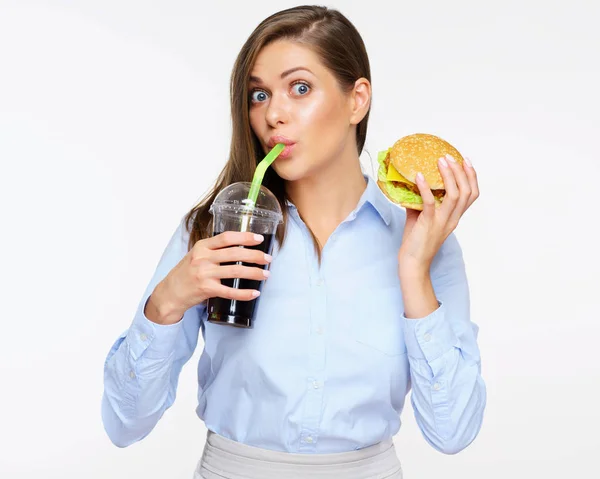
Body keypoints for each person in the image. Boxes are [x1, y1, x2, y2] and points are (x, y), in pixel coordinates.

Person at [101, 5, 486, 478]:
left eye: (299, 88)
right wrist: (166, 302)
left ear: (356, 100)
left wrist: (413, 271)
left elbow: (453, 433)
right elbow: (124, 424)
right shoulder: (214, 231)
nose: (273, 114)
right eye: (258, 95)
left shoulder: (426, 242)